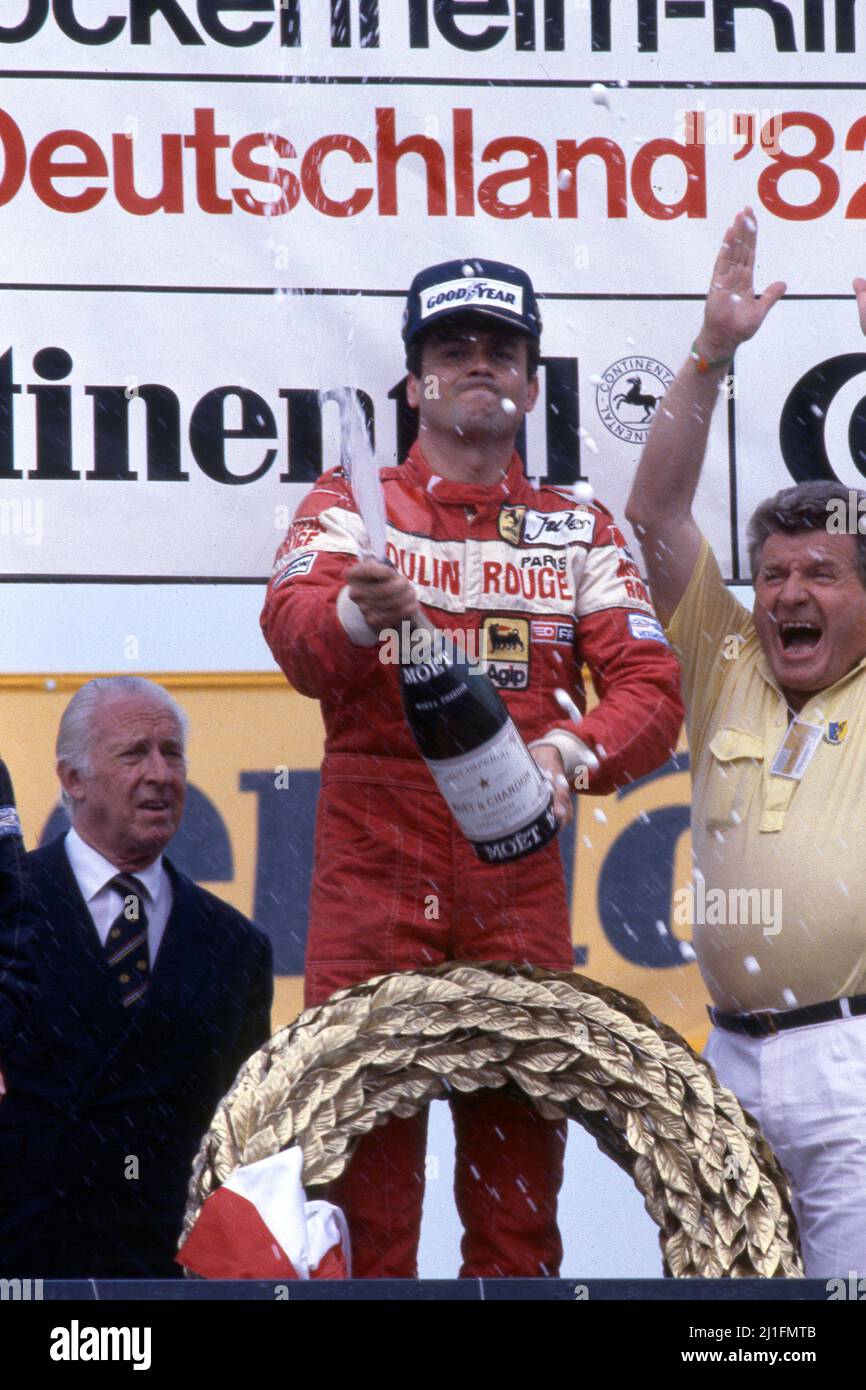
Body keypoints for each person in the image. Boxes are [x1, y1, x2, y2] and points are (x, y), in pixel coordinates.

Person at [262, 257, 684, 1279]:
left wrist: (568, 749)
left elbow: (652, 689)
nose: (479, 367)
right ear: (415, 383)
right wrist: (364, 606)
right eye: (453, 351)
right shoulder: (349, 502)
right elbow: (297, 637)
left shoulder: (575, 526)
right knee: (364, 1189)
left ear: (533, 384)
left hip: (514, 870)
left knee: (515, 1197)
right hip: (371, 869)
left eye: (502, 350)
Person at [626, 207, 866, 1277]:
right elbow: (656, 514)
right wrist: (708, 352)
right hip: (725, 1060)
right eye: (771, 574)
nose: (786, 593)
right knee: (730, 1332)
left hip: (851, 1061)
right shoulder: (723, 660)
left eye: (819, 573)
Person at [0, 677, 273, 1278]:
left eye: (171, 752)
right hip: (31, 1269)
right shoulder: (8, 908)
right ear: (72, 779)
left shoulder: (235, 947)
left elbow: (249, 1140)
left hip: (172, 1275)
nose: (162, 774)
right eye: (134, 753)